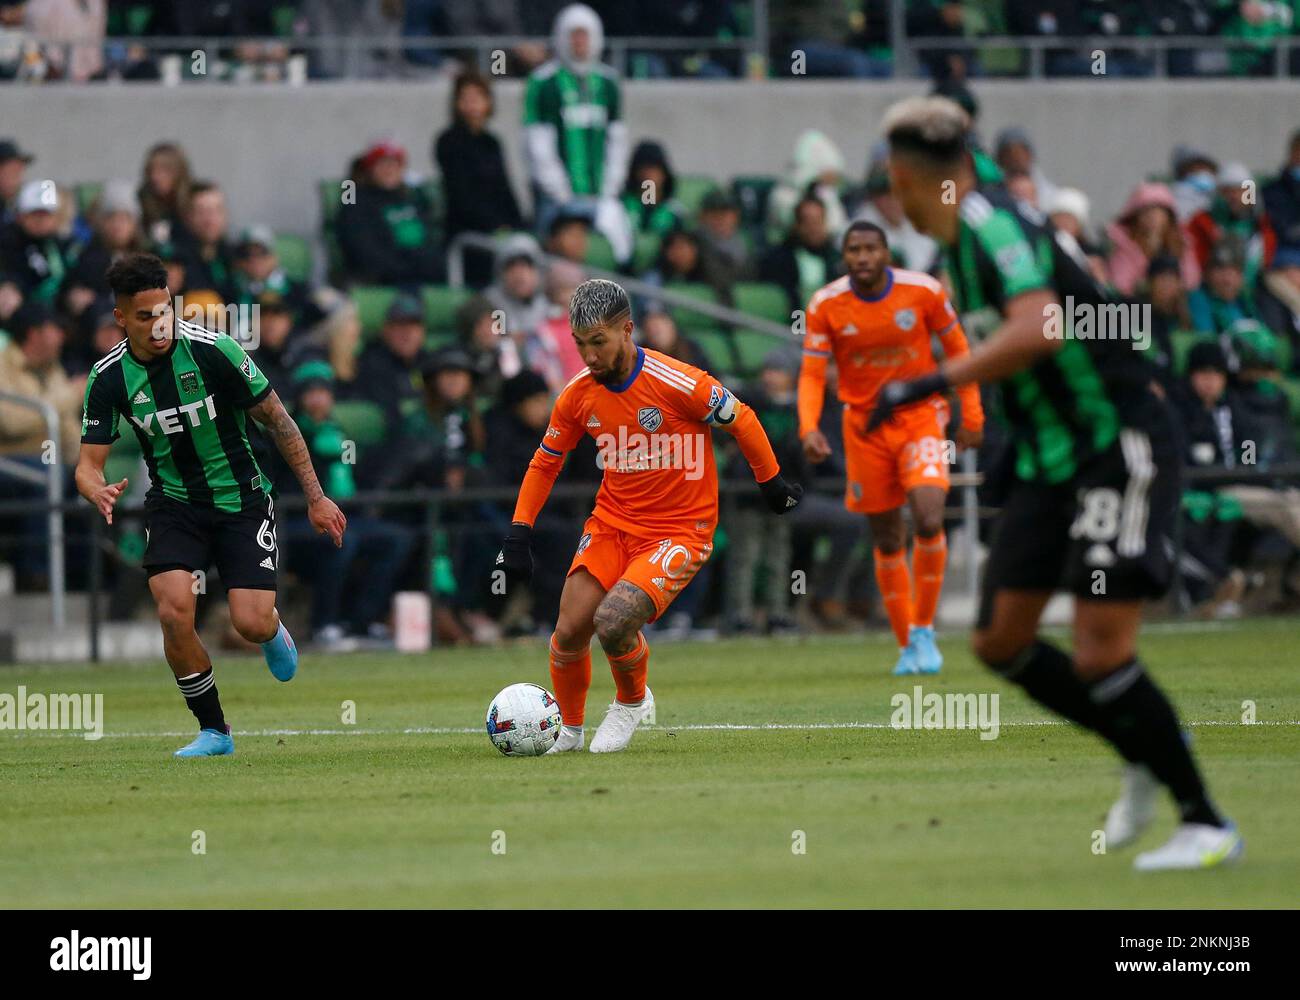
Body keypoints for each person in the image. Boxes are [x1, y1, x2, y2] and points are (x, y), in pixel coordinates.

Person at [877, 95, 1242, 871]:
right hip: (1051, 459)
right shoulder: (967, 239)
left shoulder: (986, 225)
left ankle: (1205, 820)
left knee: (1101, 654)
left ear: (901, 177)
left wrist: (925, 385)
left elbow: (1040, 326)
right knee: (1000, 641)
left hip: (1117, 443)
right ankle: (1136, 749)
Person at [495, 279, 803, 754]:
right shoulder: (578, 395)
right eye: (580, 345)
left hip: (681, 531)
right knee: (569, 631)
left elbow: (741, 418)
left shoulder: (678, 382)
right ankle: (571, 732)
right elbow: (545, 463)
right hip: (612, 526)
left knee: (613, 621)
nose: (589, 356)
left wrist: (772, 482)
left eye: (598, 342)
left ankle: (630, 701)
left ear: (627, 330)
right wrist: (518, 531)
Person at [76, 253, 347, 758]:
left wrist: (315, 496)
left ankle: (271, 630)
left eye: (164, 313)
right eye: (144, 317)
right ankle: (215, 732)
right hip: (174, 503)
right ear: (119, 317)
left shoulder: (214, 350)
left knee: (249, 622)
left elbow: (279, 420)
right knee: (174, 612)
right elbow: (88, 464)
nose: (159, 327)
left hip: (242, 498)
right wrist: (94, 487)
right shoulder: (108, 378)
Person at [798, 221, 983, 675]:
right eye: (853, 250)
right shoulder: (826, 304)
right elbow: (812, 374)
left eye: (870, 248)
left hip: (921, 419)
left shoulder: (923, 292)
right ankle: (908, 645)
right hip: (864, 428)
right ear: (844, 256)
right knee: (885, 535)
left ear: (886, 253)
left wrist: (972, 412)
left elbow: (960, 349)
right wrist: (807, 427)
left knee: (927, 515)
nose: (862, 257)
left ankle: (923, 629)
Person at [523, 3, 631, 262]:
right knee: (559, 262)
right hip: (557, 200)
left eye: (585, 35)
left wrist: (609, 189)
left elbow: (617, 140)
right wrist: (561, 193)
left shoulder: (608, 83)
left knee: (620, 254)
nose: (580, 42)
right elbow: (537, 144)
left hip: (601, 196)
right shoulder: (543, 82)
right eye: (574, 35)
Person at [434, 70, 523, 288]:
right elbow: (461, 193)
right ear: (456, 103)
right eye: (466, 98)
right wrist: (494, 225)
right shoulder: (448, 142)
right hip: (467, 230)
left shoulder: (492, 142)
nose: (472, 104)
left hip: (499, 228)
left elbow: (504, 187)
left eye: (478, 97)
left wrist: (516, 223)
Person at [337, 139, 441, 288]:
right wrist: (404, 270)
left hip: (423, 275)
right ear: (370, 169)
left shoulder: (412, 199)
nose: (389, 169)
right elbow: (361, 249)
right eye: (382, 164)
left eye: (395, 164)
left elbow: (430, 241)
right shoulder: (355, 200)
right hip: (383, 279)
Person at [759, 194, 842, 313]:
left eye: (818, 221)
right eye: (808, 222)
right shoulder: (779, 259)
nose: (814, 228)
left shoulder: (837, 259)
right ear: (797, 225)